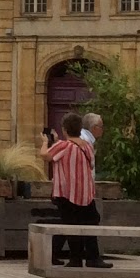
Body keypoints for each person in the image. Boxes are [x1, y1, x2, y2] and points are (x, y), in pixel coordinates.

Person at [43, 113, 109, 268]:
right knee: (89, 223)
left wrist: (45, 142)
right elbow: (91, 165)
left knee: (71, 224)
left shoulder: (64, 145)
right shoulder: (87, 145)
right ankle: (91, 258)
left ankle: (75, 258)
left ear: (65, 129)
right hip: (85, 192)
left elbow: (45, 155)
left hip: (67, 192)